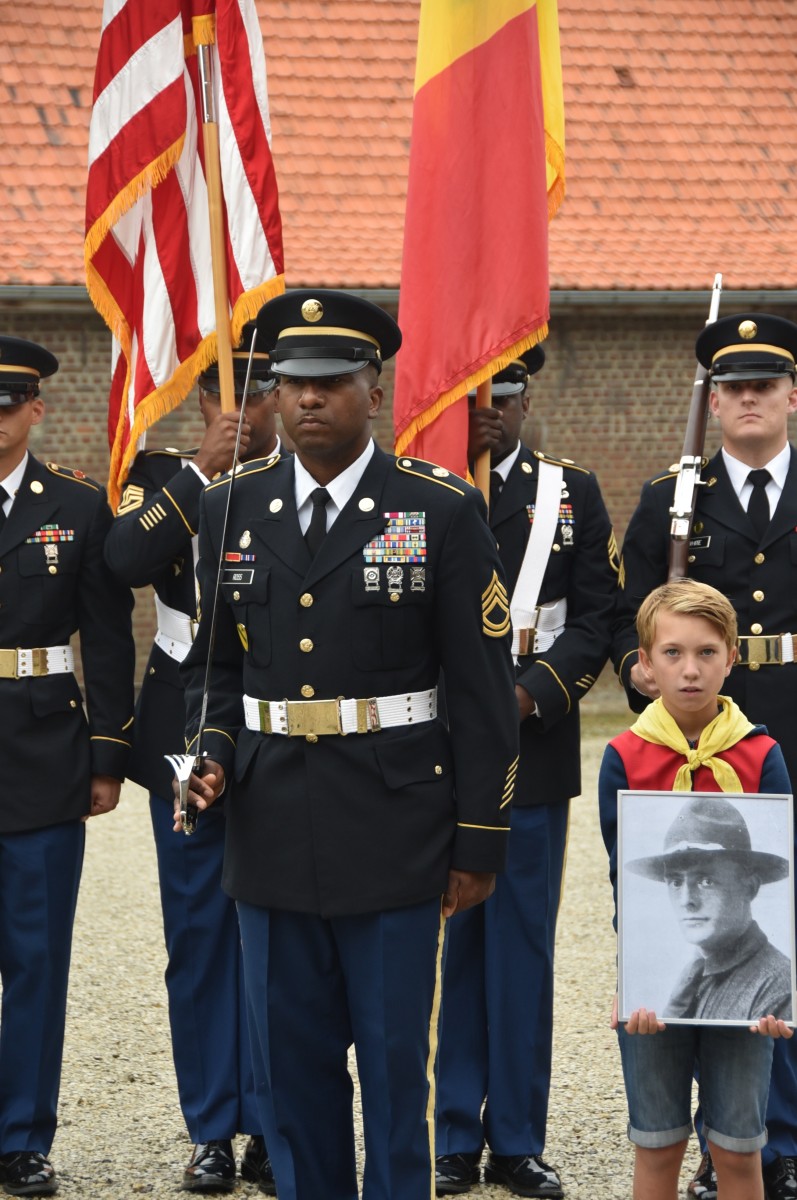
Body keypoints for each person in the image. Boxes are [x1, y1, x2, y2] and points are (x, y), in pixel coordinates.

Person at [178, 289, 520, 1200]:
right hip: (271, 827)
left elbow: (484, 697)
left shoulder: (436, 508)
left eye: (330, 382)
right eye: (290, 384)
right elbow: (209, 672)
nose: (307, 400)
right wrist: (202, 758)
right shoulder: (229, 510)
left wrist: (479, 839)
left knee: (395, 1075)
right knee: (291, 1083)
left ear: (373, 389)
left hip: (395, 823)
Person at [613, 313, 797, 1200]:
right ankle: (741, 1143)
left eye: (766, 383)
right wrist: (645, 679)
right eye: (734, 386)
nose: (750, 397)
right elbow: (629, 617)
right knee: (711, 930)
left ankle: (772, 1139)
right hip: (694, 733)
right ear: (714, 401)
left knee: (781, 931)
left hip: (787, 731)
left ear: (791, 396)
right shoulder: (667, 501)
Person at [434, 349, 618, 1197]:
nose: (485, 413)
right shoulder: (420, 490)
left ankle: (514, 1137)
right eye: (473, 396)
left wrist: (532, 694)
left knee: (518, 950)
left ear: (523, 399)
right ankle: (446, 1133)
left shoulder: (567, 492)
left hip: (531, 749)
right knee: (443, 948)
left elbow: (595, 619)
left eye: (500, 396)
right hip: (431, 749)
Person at [104, 325, 276, 1193]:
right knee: (200, 938)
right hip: (183, 725)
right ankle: (213, 1124)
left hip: (284, 727)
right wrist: (203, 464)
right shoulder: (164, 475)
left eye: (265, 388)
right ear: (201, 399)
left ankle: (275, 1123)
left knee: (279, 939)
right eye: (228, 393)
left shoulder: (319, 482)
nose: (248, 409)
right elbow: (123, 557)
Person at [601, 578, 794, 1200]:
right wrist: (631, 979)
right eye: (673, 654)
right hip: (655, 993)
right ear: (645, 666)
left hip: (751, 1007)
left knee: (739, 1154)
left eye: (707, 652)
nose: (691, 670)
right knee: (656, 1147)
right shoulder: (623, 756)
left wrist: (786, 999)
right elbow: (619, 880)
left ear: (732, 658)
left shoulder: (761, 754)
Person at [0, 336, 135, 1196]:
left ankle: (21, 1137)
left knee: (37, 956)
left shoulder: (78, 507)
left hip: (43, 751)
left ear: (35, 412)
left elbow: (110, 636)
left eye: (5, 405)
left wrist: (109, 752)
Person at [625, 796, 792, 1022]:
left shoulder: (780, 987)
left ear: (750, 887)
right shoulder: (692, 975)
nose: (686, 900)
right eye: (675, 882)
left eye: (706, 881)